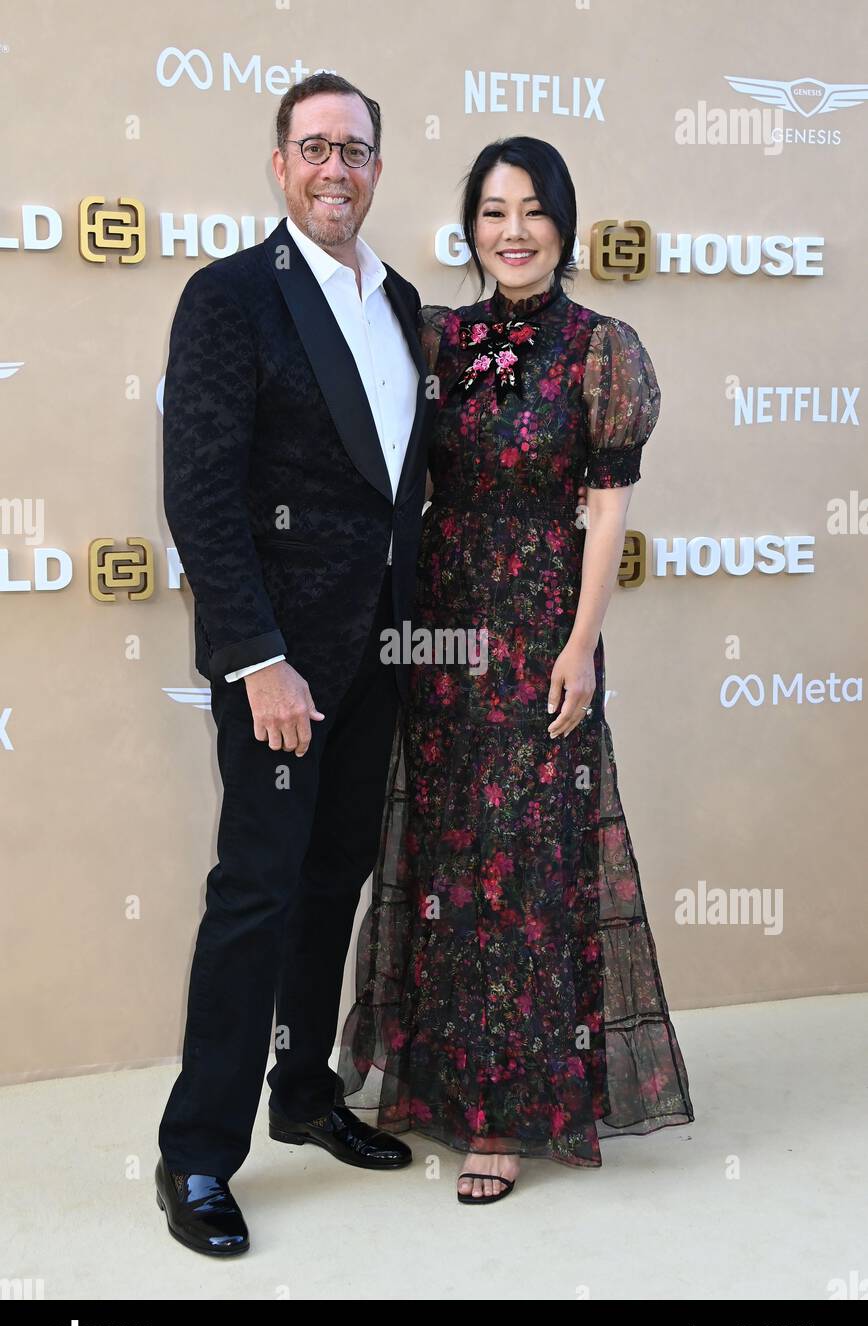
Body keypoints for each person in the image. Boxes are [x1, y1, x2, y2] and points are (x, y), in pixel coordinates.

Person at [337, 136, 695, 1204]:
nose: (513, 232)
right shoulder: (436, 338)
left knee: (527, 862)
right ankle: (436, 1081)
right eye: (493, 212)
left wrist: (580, 645)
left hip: (542, 624)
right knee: (450, 855)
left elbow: (606, 512)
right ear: (471, 228)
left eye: (533, 211)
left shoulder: (600, 348)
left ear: (564, 222)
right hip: (443, 625)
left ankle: (504, 1111)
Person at [156, 73, 433, 1255]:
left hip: (379, 648)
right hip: (280, 666)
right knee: (257, 893)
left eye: (355, 149)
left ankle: (307, 1091)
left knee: (336, 881)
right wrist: (258, 659)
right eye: (314, 147)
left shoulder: (403, 299)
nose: (335, 168)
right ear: (280, 165)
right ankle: (197, 1157)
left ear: (377, 167)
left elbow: (395, 485)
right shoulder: (229, 298)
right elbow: (202, 494)